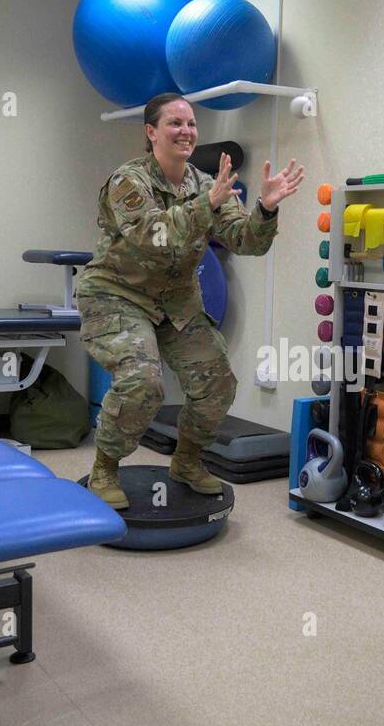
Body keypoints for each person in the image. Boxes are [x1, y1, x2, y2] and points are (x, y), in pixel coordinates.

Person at [77, 93, 305, 509]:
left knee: (217, 381)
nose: (186, 131)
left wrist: (265, 209)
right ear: (151, 132)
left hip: (175, 304)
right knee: (143, 381)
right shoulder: (129, 181)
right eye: (174, 123)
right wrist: (209, 204)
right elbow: (153, 235)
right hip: (117, 296)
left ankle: (187, 461)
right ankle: (105, 468)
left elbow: (244, 241)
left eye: (191, 124)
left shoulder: (205, 183)